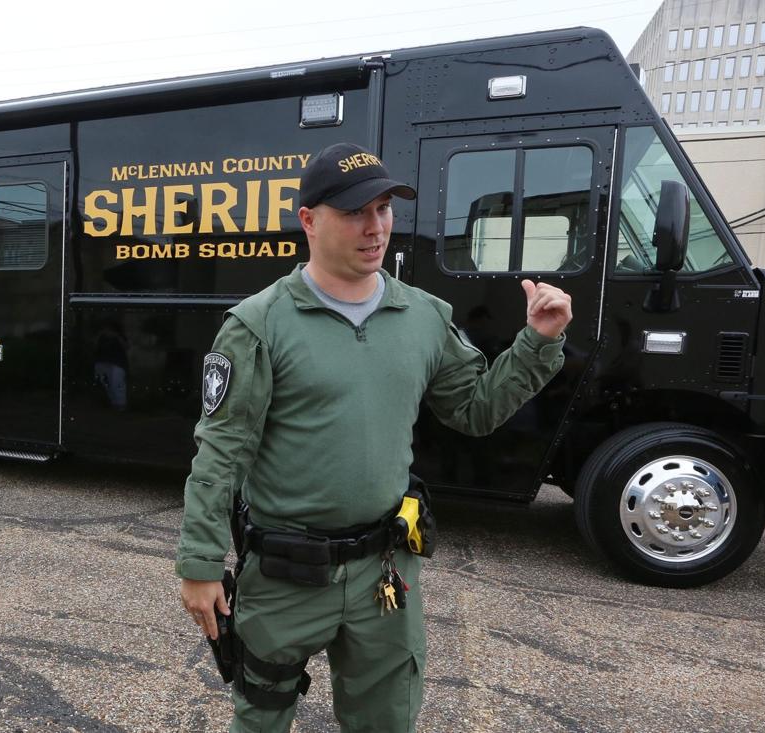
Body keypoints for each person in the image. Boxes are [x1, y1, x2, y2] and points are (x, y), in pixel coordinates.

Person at [175, 142, 572, 732]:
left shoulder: (424, 316)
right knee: (260, 719)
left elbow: (475, 410)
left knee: (385, 723)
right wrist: (201, 562)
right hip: (286, 574)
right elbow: (222, 450)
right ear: (309, 220)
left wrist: (537, 343)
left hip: (385, 573)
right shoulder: (258, 325)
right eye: (356, 212)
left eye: (384, 209)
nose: (375, 227)